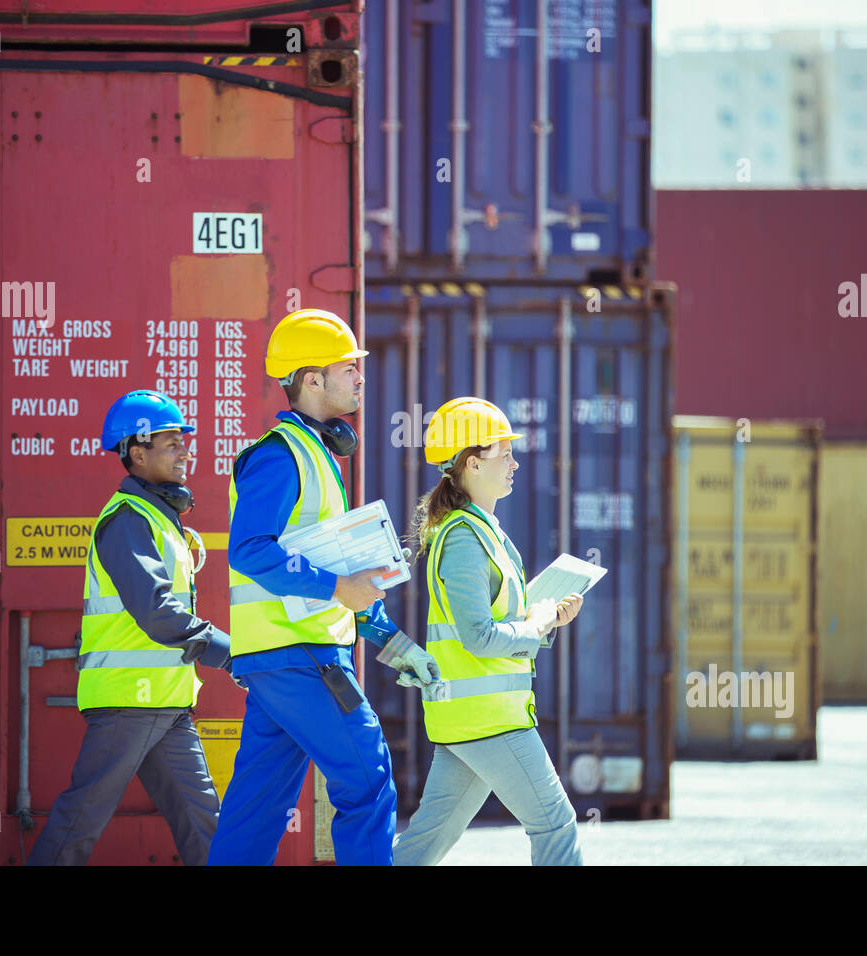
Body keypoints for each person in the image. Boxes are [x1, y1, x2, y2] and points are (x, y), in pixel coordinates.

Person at [206, 308, 440, 866]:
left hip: (284, 660)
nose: (360, 376)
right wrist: (338, 586)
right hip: (302, 659)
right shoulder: (279, 457)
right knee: (367, 780)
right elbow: (250, 550)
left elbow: (325, 572)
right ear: (312, 379)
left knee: (257, 808)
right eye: (347, 367)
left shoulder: (314, 455)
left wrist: (391, 641)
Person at [27, 390, 233, 866]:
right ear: (137, 453)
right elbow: (157, 611)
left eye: (185, 441)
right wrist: (228, 652)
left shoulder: (158, 518)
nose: (185, 451)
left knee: (204, 826)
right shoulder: (126, 522)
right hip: (129, 701)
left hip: (166, 700)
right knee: (79, 823)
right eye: (171, 443)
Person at [392, 396, 585, 866]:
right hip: (489, 720)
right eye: (505, 454)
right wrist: (535, 625)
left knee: (425, 843)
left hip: (469, 717)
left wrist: (546, 620)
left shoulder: (481, 531)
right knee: (555, 824)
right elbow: (477, 635)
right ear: (474, 463)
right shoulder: (463, 537)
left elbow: (497, 622)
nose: (515, 463)